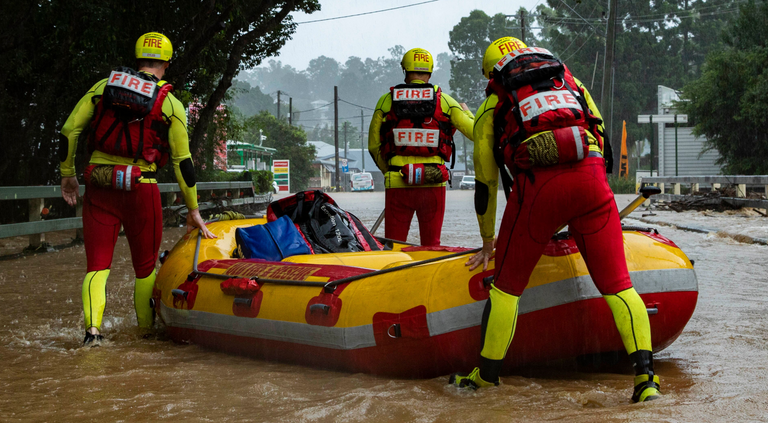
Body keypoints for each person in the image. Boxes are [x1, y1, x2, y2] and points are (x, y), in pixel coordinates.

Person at [449, 37, 661, 403]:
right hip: (594, 185)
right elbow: (601, 136)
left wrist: (488, 243)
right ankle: (646, 381)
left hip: (538, 193)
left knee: (505, 290)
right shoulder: (569, 80)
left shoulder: (493, 104)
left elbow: (485, 181)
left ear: (491, 71)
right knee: (619, 286)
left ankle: (485, 378)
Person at [59, 32, 215, 345]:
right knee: (145, 269)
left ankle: (92, 333)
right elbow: (183, 162)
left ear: (137, 58)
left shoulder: (104, 88)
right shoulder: (170, 104)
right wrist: (193, 210)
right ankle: (145, 334)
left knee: (97, 266)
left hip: (100, 185)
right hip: (141, 189)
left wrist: (68, 174)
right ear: (167, 63)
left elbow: (69, 129)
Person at [368, 48, 474, 246]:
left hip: (397, 181)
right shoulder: (446, 101)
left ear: (405, 70)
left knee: (394, 245)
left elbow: (373, 146)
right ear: (430, 72)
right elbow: (476, 133)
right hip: (434, 183)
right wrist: (467, 113)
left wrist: (389, 172)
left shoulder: (386, 101)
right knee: (432, 245)